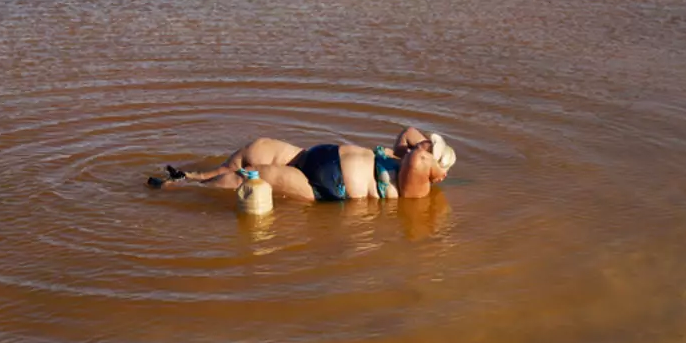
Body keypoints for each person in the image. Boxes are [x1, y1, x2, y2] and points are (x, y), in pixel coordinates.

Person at [148, 127, 455, 201]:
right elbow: (409, 131)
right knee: (257, 149)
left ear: (433, 165)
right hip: (308, 154)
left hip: (322, 185)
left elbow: (417, 159)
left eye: (429, 147)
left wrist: (437, 165)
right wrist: (422, 140)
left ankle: (184, 191)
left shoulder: (417, 187)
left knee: (256, 177)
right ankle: (193, 175)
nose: (422, 143)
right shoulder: (405, 156)